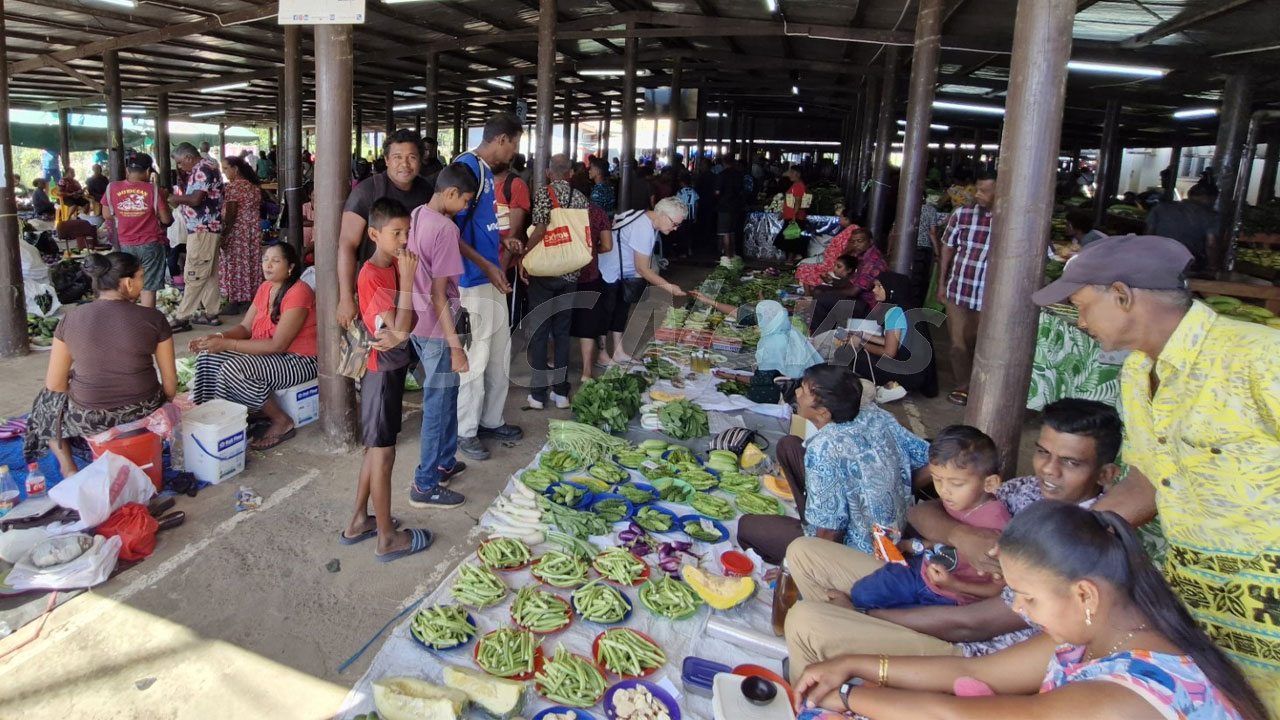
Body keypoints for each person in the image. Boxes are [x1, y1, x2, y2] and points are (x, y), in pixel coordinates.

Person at [1033, 234, 1280, 709]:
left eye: (1082, 306)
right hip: (1200, 599)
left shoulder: (1259, 358)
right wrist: (1058, 539)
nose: (1080, 322)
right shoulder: (1136, 373)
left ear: (1122, 296)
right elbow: (1148, 480)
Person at [794, 502, 1268, 720]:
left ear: (1085, 595)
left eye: (1028, 596)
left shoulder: (1123, 699)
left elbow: (957, 715)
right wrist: (855, 664)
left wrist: (848, 697)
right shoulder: (1101, 637)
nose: (1018, 608)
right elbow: (981, 672)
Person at [782, 400, 1121, 685]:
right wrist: (963, 535)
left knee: (807, 621)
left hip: (970, 654)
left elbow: (973, 624)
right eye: (1044, 452)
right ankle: (842, 664)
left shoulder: (1089, 544)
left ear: (1106, 474)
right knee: (805, 553)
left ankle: (831, 672)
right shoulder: (1028, 489)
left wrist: (861, 615)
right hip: (933, 587)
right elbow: (923, 512)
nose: (1049, 470)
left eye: (1070, 462)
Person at [737, 363, 927, 566]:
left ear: (823, 413)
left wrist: (808, 569)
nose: (797, 393)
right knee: (788, 446)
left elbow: (830, 534)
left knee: (747, 527)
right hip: (889, 531)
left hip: (860, 553)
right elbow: (928, 458)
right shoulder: (876, 415)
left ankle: (802, 566)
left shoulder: (825, 448)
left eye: (804, 391)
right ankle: (812, 519)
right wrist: (897, 492)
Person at [22, 253, 177, 477]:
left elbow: (55, 384)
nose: (143, 283)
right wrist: (165, 403)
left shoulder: (70, 319)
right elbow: (170, 382)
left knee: (47, 401)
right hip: (144, 406)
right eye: (141, 277)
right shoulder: (154, 318)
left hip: (89, 415)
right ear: (127, 282)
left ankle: (68, 467)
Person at [344, 198, 434, 561]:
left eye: (407, 232)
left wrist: (401, 327)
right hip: (380, 375)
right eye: (396, 233)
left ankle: (358, 521)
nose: (404, 240)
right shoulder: (371, 276)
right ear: (373, 234)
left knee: (376, 450)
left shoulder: (394, 266)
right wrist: (409, 281)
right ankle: (386, 539)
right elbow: (399, 329)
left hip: (391, 368)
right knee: (383, 455)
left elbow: (407, 325)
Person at [849, 426, 1010, 611]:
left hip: (952, 598)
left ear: (990, 483)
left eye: (956, 483)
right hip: (921, 571)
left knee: (895, 619)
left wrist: (955, 585)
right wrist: (913, 545)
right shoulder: (956, 501)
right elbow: (949, 545)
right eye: (937, 479)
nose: (944, 490)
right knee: (861, 594)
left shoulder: (997, 527)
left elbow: (1000, 589)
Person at [188, 243, 317, 450]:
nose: (268, 265)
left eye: (276, 261)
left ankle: (282, 421)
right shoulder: (266, 288)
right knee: (208, 356)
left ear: (290, 267)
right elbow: (246, 328)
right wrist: (217, 337)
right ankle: (220, 419)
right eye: (265, 259)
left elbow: (278, 345)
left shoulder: (299, 291)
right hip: (273, 356)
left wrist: (228, 344)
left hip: (300, 360)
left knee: (235, 368)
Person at [452, 112, 525, 461]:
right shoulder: (466, 168)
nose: (515, 152)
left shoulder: (486, 172)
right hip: (471, 281)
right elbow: (451, 230)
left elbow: (480, 226)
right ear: (502, 139)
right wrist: (485, 264)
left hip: (491, 275)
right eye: (515, 143)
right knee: (475, 358)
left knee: (498, 354)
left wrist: (502, 243)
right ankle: (466, 430)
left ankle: (491, 419)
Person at [407, 162, 478, 509]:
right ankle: (424, 485)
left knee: (447, 396)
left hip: (418, 321)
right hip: (438, 327)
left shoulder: (419, 213)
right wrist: (456, 347)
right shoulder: (446, 228)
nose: (465, 208)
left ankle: (444, 463)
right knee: (437, 404)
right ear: (450, 193)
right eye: (464, 201)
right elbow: (440, 295)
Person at [336, 130, 433, 329]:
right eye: (397, 157)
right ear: (387, 160)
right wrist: (346, 297)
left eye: (412, 157)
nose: (405, 164)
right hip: (379, 287)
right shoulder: (367, 192)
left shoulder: (426, 192)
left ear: (420, 160)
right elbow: (347, 244)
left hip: (418, 287)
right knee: (388, 339)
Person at [523, 154, 589, 409]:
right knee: (562, 333)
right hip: (570, 272)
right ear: (571, 173)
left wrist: (524, 255)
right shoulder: (581, 198)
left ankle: (538, 395)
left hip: (544, 272)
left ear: (549, 173)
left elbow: (540, 230)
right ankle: (561, 393)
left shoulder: (543, 194)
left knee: (540, 332)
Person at [598, 196, 689, 364]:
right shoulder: (643, 228)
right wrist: (669, 287)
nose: (675, 228)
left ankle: (618, 352)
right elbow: (642, 269)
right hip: (609, 271)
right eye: (674, 223)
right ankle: (602, 356)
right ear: (663, 215)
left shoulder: (647, 218)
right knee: (605, 314)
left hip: (623, 274)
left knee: (620, 312)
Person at [936, 170, 996, 406]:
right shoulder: (962, 214)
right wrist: (941, 283)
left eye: (984, 191)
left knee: (980, 343)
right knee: (958, 345)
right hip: (959, 289)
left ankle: (981, 388)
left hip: (990, 297)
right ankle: (963, 386)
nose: (978, 195)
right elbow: (947, 248)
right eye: (977, 189)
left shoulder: (1015, 220)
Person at [103, 152, 173, 308]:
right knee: (148, 287)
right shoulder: (153, 190)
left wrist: (126, 215)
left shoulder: (112, 188)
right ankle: (146, 321)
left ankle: (126, 319)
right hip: (150, 244)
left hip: (124, 244)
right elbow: (166, 219)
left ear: (127, 170)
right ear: (148, 171)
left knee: (126, 285)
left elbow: (107, 215)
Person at [168, 142, 224, 332]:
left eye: (180, 162)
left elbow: (196, 199)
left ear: (189, 157)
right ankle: (211, 313)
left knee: (194, 272)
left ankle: (182, 317)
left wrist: (175, 198)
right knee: (209, 273)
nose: (180, 166)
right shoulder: (206, 167)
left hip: (202, 229)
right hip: (208, 228)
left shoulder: (202, 169)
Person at [848, 272, 930, 402]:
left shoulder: (894, 312)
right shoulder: (908, 308)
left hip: (906, 375)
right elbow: (893, 341)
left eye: (879, 286)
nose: (874, 290)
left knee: (852, 356)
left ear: (892, 290)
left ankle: (884, 388)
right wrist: (862, 335)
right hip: (918, 376)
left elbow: (889, 352)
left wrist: (861, 344)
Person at [810, 227, 885, 333]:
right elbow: (851, 282)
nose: (856, 245)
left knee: (821, 299)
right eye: (853, 242)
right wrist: (832, 281)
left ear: (870, 241)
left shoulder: (872, 261)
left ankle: (819, 335)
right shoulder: (863, 257)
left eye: (860, 241)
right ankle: (828, 331)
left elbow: (853, 292)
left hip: (869, 305)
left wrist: (828, 293)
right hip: (860, 298)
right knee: (819, 290)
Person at [571, 200, 615, 381]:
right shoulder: (597, 212)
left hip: (560, 272)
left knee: (558, 321)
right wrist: (591, 251)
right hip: (588, 274)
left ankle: (553, 360)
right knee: (588, 324)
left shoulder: (557, 209)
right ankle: (586, 372)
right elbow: (607, 245)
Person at [218, 156, 263, 315]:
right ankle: (250, 299)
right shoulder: (254, 187)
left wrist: (224, 234)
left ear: (235, 169)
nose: (224, 172)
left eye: (225, 168)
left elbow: (231, 214)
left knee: (234, 265)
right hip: (252, 231)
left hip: (237, 232)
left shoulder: (234, 187)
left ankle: (234, 301)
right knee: (250, 262)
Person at [1143, 182, 1220, 272]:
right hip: (1188, 263)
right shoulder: (1212, 216)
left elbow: (1148, 234)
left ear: (1189, 195)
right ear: (1210, 198)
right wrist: (1212, 267)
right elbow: (1211, 244)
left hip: (1157, 259)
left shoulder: (1160, 208)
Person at [795, 205, 860, 288]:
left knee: (804, 268)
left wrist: (839, 260)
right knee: (803, 267)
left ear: (846, 219)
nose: (839, 219)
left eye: (840, 217)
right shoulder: (849, 229)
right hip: (830, 260)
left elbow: (850, 247)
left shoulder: (853, 229)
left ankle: (811, 291)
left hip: (835, 263)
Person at [756, 300, 823, 379]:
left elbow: (766, 376)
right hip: (810, 374)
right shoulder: (790, 329)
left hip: (795, 380)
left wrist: (742, 378)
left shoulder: (773, 341)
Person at [775, 165, 810, 263]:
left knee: (792, 238)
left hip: (794, 217)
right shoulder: (796, 184)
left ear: (798, 174)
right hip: (791, 216)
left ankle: (790, 260)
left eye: (791, 172)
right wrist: (784, 213)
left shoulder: (798, 185)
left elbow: (798, 201)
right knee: (790, 237)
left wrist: (794, 215)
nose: (789, 175)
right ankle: (791, 259)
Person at [715, 156, 747, 258]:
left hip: (724, 206)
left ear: (724, 162)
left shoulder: (721, 175)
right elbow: (742, 191)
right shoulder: (739, 175)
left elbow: (717, 192)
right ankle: (733, 254)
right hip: (736, 206)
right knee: (732, 231)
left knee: (725, 232)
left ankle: (727, 255)